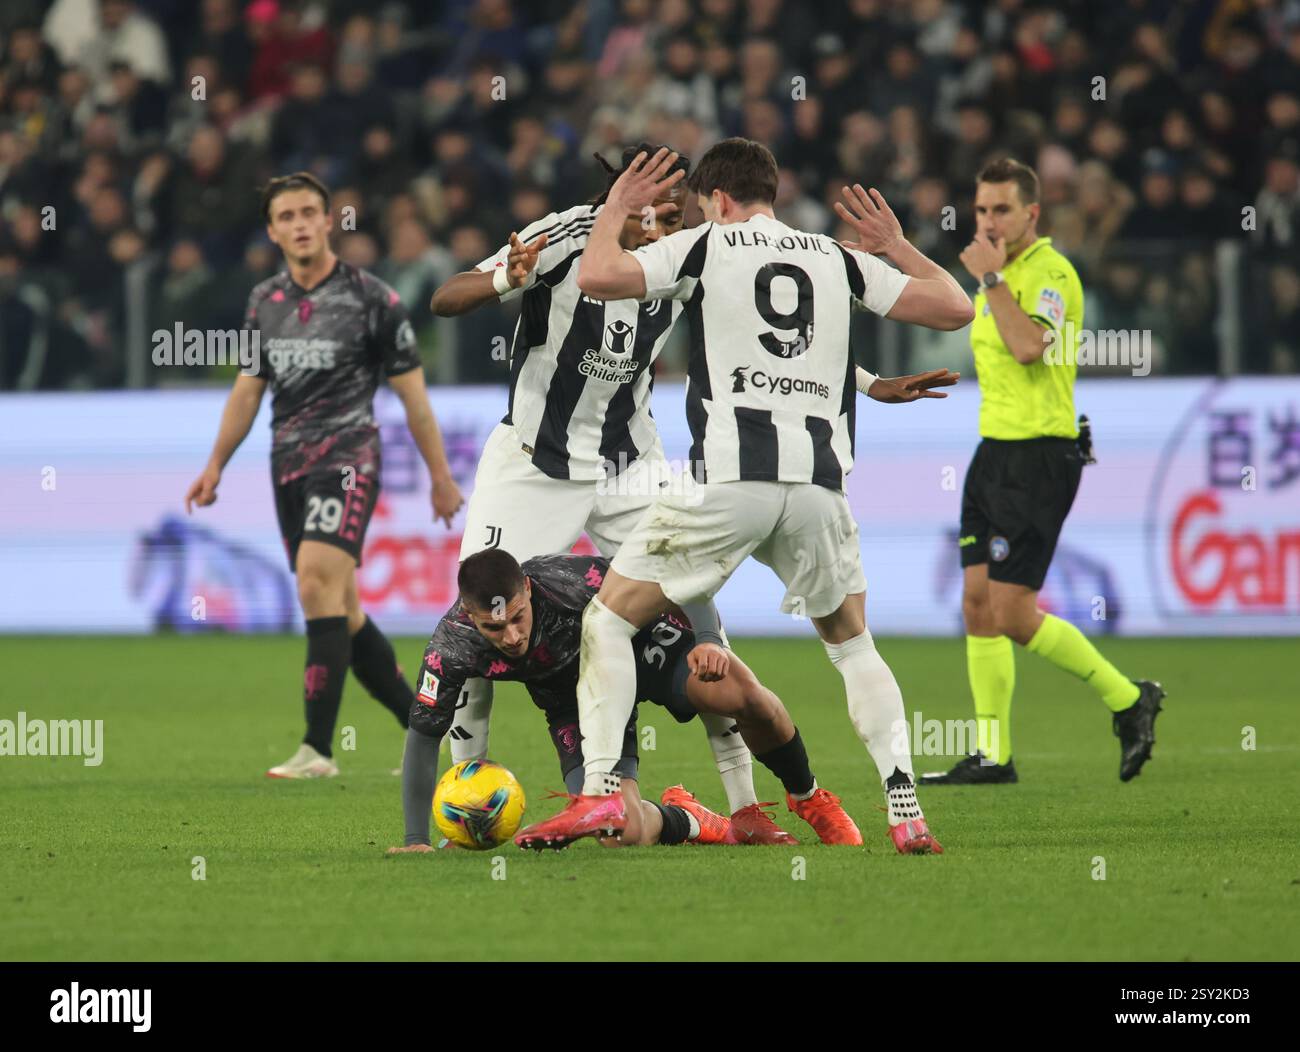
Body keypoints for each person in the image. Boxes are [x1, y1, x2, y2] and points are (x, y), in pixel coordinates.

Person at [512, 139, 972, 854]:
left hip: (728, 483)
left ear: (718, 200)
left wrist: (617, 208)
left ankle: (602, 795)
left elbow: (599, 275)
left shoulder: (706, 246)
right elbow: (954, 308)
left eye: (699, 205)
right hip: (819, 489)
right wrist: (900, 247)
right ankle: (905, 806)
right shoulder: (833, 257)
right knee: (853, 647)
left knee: (608, 621)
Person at [185, 171, 464, 778]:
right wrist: (214, 465)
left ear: (329, 219)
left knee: (314, 581)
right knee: (345, 610)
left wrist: (440, 476)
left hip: (349, 461)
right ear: (272, 230)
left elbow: (415, 400)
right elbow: (247, 390)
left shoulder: (373, 299)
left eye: (310, 212)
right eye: (286, 217)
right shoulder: (265, 302)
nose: (300, 224)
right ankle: (427, 730)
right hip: (286, 463)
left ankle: (317, 748)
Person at [922, 158, 1164, 786]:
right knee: (977, 604)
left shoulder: (1050, 273)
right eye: (981, 210)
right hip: (993, 451)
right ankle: (993, 755)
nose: (989, 221)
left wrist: (993, 280)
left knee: (1011, 613)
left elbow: (1031, 347)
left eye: (1002, 210)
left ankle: (1128, 698)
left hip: (1040, 456)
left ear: (1032, 213)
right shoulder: (997, 275)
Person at [387, 549, 863, 852]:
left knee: (744, 696)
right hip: (575, 703)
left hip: (641, 647)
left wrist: (707, 639)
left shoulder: (569, 579)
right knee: (619, 832)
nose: (512, 636)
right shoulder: (450, 646)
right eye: (494, 627)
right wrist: (414, 840)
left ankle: (808, 796)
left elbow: (674, 575)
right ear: (469, 615)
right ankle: (692, 819)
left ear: (527, 590)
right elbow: (424, 734)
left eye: (518, 617)